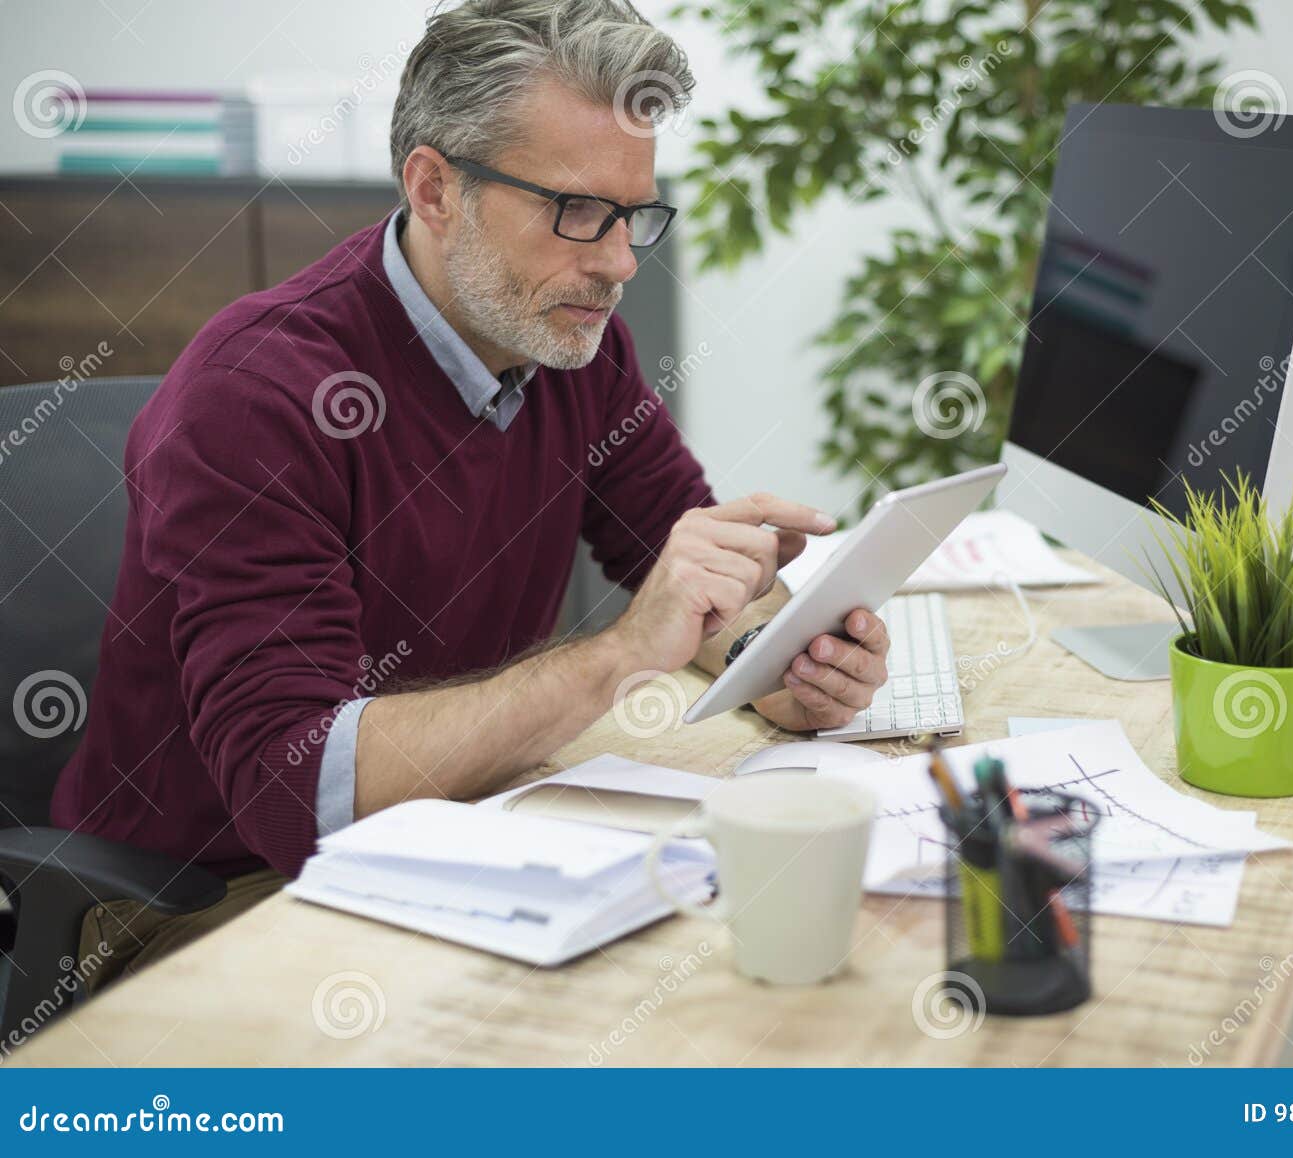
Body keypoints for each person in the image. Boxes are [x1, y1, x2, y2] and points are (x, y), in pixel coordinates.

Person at [53, 0, 889, 988]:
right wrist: (621, 654)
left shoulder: (573, 343)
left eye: (635, 216)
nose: (619, 262)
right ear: (435, 188)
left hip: (469, 832)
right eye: (577, 211)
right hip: (208, 903)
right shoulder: (255, 396)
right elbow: (297, 798)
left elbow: (692, 575)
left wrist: (783, 666)